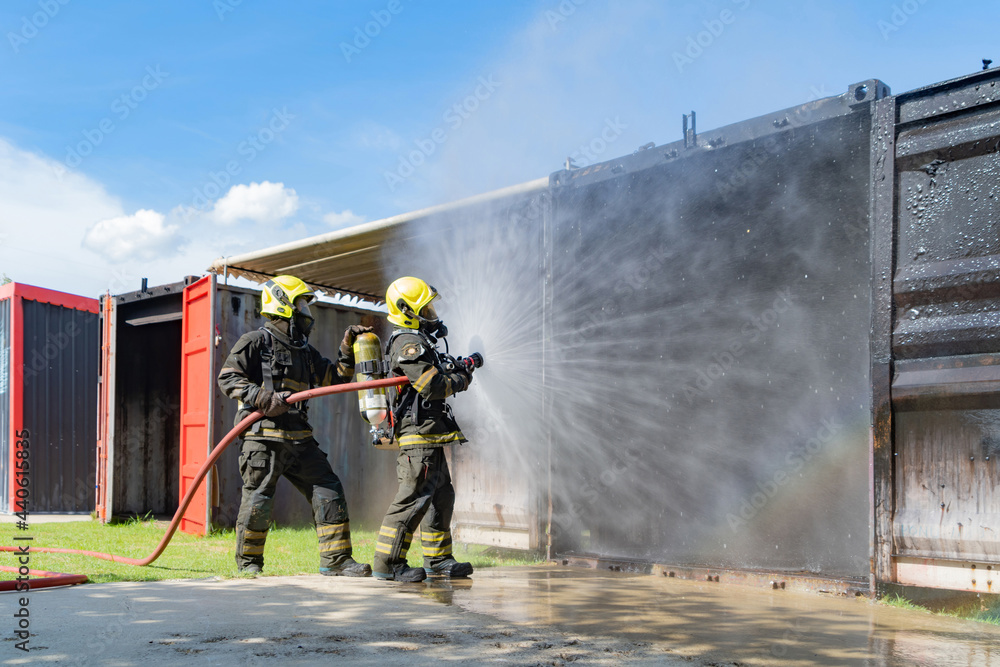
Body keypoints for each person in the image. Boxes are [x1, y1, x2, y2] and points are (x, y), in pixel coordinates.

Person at [217, 274, 372, 577]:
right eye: (301, 304)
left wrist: (347, 346)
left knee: (328, 489)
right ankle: (249, 566)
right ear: (283, 304)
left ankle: (336, 560)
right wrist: (263, 397)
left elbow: (337, 377)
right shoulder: (255, 341)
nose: (306, 313)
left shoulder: (306, 352)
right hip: (263, 439)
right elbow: (228, 378)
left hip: (300, 439)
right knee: (259, 500)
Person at [373, 277, 480, 582]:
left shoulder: (422, 343)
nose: (432, 313)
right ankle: (388, 562)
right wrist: (462, 377)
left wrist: (458, 368)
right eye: (426, 308)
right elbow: (431, 386)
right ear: (407, 310)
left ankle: (439, 559)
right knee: (413, 497)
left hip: (430, 433)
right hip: (417, 434)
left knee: (441, 497)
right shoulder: (408, 343)